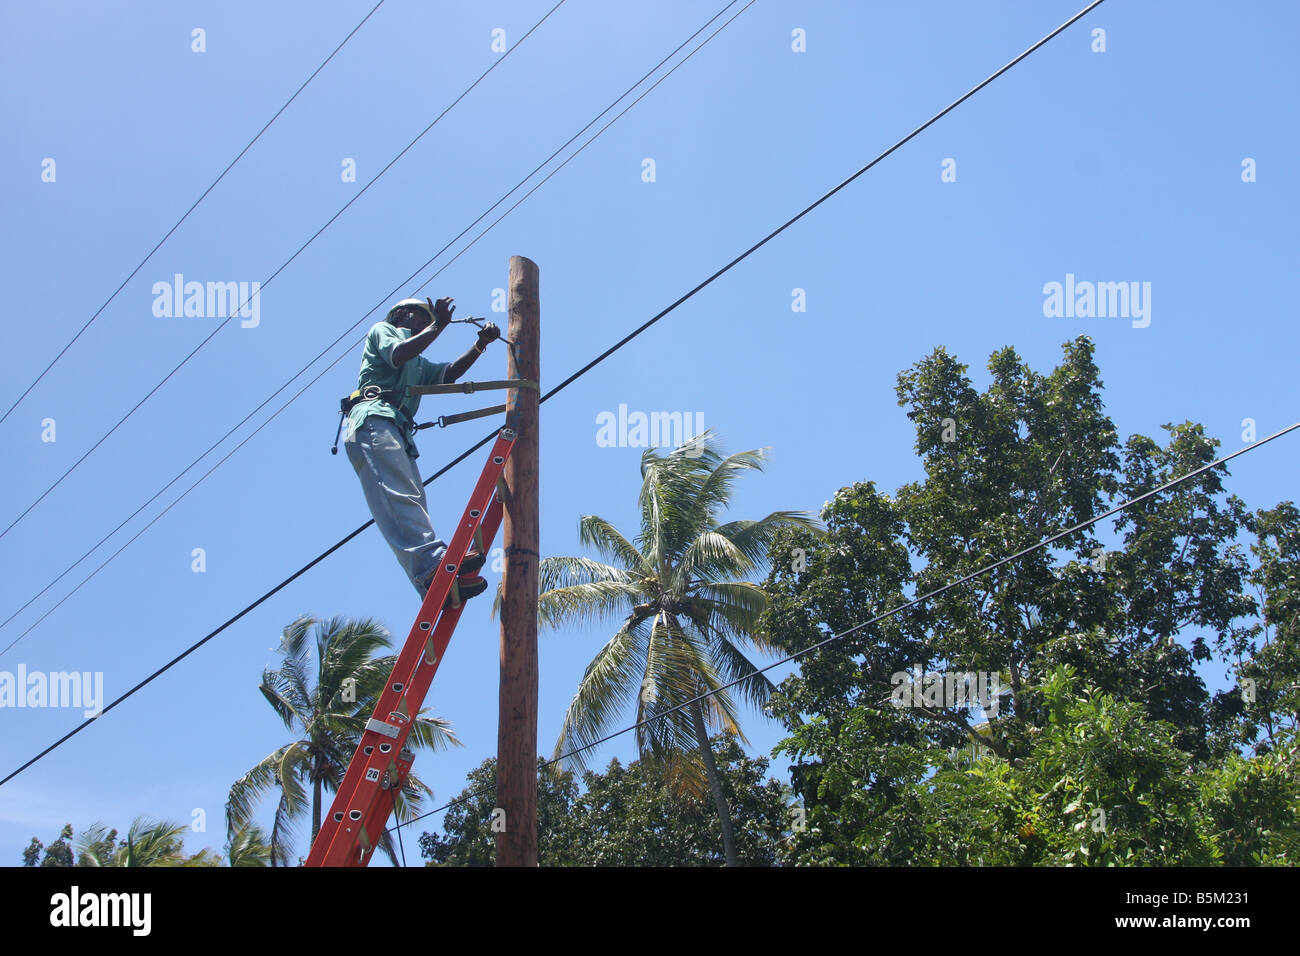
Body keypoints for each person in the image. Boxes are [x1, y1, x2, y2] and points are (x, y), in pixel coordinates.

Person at [343, 295, 501, 604]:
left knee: (412, 500)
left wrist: (480, 345)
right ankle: (432, 565)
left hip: (397, 428)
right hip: (375, 418)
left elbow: (448, 375)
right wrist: (439, 324)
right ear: (400, 315)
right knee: (398, 496)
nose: (423, 323)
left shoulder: (417, 361)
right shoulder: (384, 331)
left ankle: (432, 579)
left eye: (427, 320)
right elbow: (398, 354)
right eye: (419, 316)